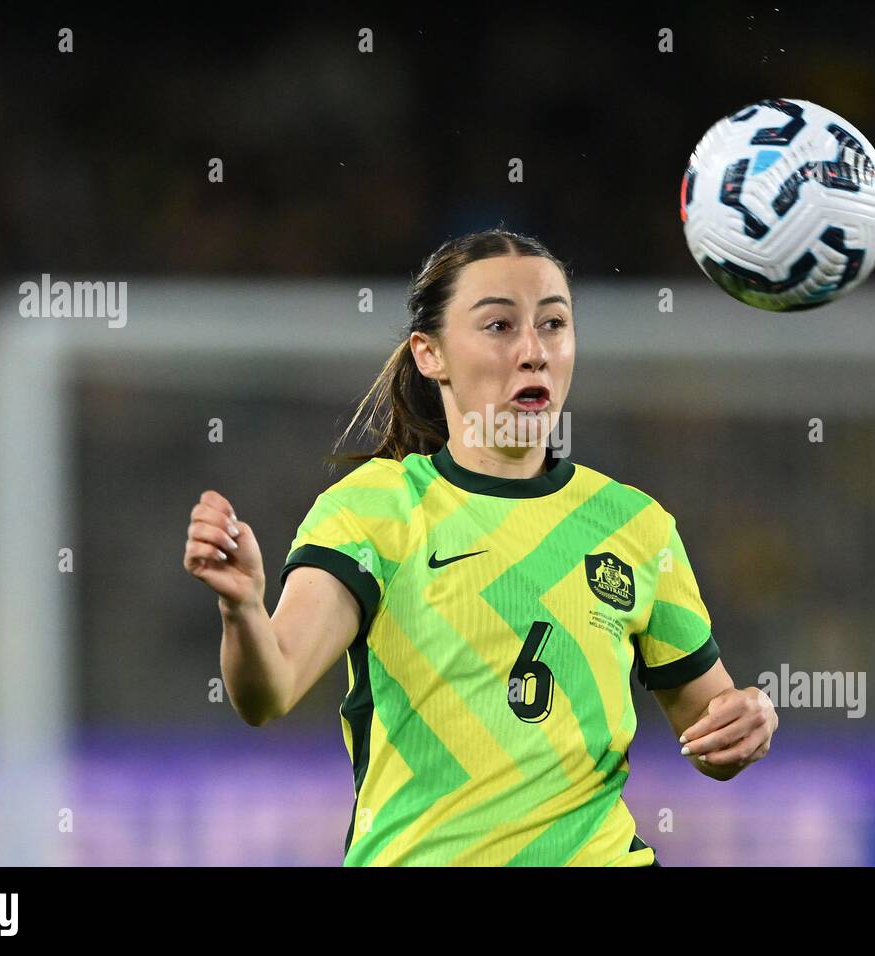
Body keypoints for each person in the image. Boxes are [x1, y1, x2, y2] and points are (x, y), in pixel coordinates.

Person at [182, 228, 777, 866]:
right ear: (429, 353)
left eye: (554, 324)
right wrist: (242, 609)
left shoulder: (635, 523)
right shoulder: (375, 508)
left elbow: (707, 725)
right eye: (498, 325)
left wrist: (750, 717)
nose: (533, 351)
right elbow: (267, 693)